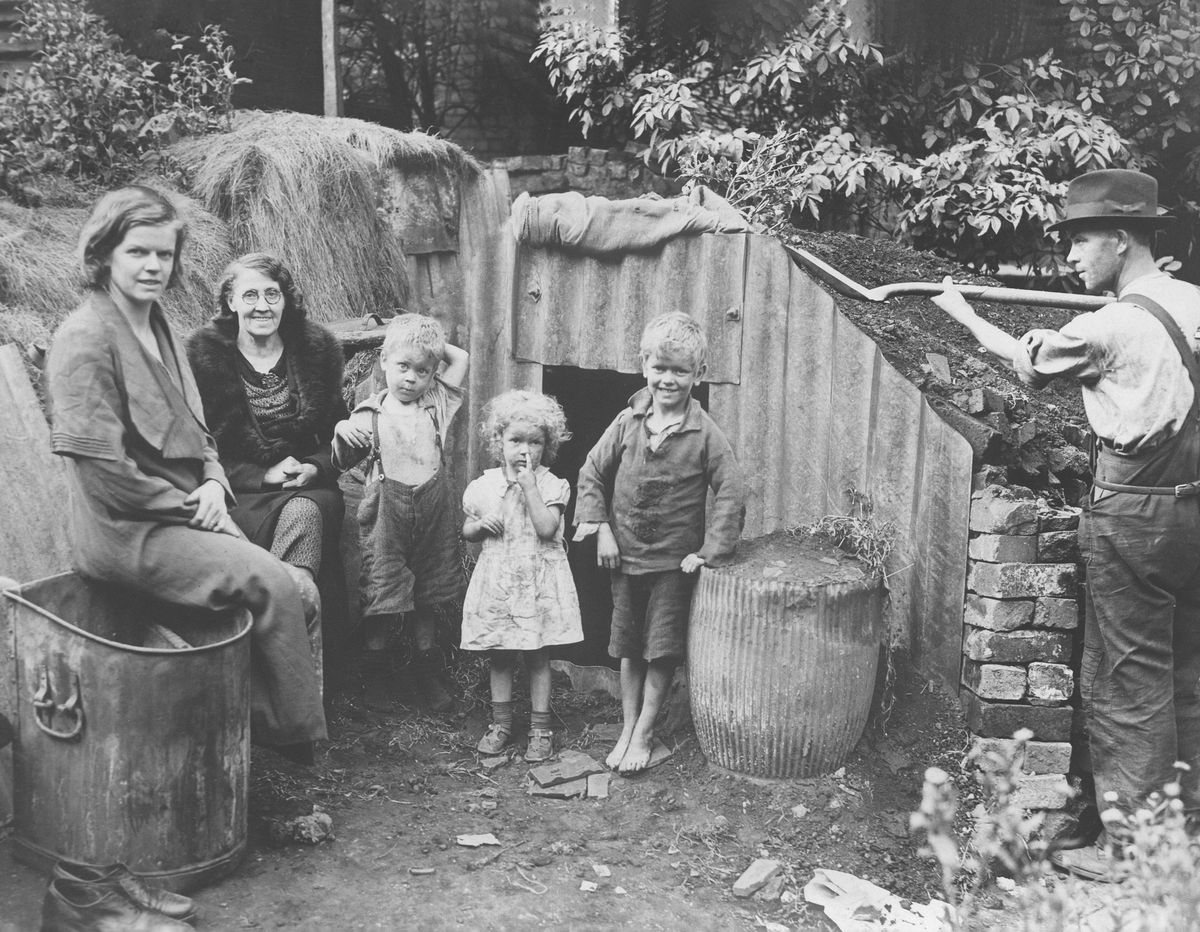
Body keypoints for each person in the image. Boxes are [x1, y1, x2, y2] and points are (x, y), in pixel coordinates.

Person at [929, 169, 1200, 881]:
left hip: (1134, 512)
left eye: (1082, 241)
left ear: (1122, 238)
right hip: (1193, 507)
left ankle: (1132, 849)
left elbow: (1025, 363)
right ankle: (1184, 831)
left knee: (1126, 677)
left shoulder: (1107, 325)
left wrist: (957, 311)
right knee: (1186, 670)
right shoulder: (1192, 303)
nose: (1071, 258)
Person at [45, 186, 326, 763]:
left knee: (302, 590)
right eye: (137, 252)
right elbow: (106, 478)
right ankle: (282, 744)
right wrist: (194, 506)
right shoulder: (83, 340)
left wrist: (216, 484)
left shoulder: (162, 325)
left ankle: (249, 734)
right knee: (273, 585)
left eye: (165, 255)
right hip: (127, 530)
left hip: (191, 508)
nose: (153, 266)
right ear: (103, 255)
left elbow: (202, 435)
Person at [574, 311, 746, 773]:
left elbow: (731, 491)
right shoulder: (628, 421)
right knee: (629, 646)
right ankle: (628, 725)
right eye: (660, 368)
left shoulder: (704, 433)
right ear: (644, 365)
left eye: (680, 371)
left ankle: (646, 733)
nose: (668, 380)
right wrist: (602, 529)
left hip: (673, 564)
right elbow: (591, 472)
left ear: (699, 374)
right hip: (624, 558)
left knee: (660, 648)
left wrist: (708, 552)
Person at [187, 253, 348, 658]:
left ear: (286, 300)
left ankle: (287, 649)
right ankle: (268, 650)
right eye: (251, 294)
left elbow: (340, 437)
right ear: (230, 301)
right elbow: (195, 446)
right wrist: (261, 475)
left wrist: (314, 467)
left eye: (272, 294)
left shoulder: (316, 351)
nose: (262, 306)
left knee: (304, 512)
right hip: (238, 490)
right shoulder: (203, 359)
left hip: (308, 487)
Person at [333, 313, 469, 712]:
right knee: (383, 590)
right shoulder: (368, 414)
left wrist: (423, 336)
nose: (411, 378)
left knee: (427, 592)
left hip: (432, 512)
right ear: (383, 362)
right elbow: (340, 461)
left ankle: (427, 674)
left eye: (423, 370)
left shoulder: (436, 405)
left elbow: (459, 358)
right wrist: (341, 432)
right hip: (386, 515)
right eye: (403, 366)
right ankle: (377, 678)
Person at [460, 390, 583, 762]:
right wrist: (480, 524)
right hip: (500, 582)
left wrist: (529, 488)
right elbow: (466, 530)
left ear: (548, 446)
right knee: (500, 655)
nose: (524, 450)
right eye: (515, 440)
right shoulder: (484, 486)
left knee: (537, 655)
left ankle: (541, 728)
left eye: (535, 442)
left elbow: (547, 529)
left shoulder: (550, 485)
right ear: (499, 441)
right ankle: (500, 723)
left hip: (536, 583)